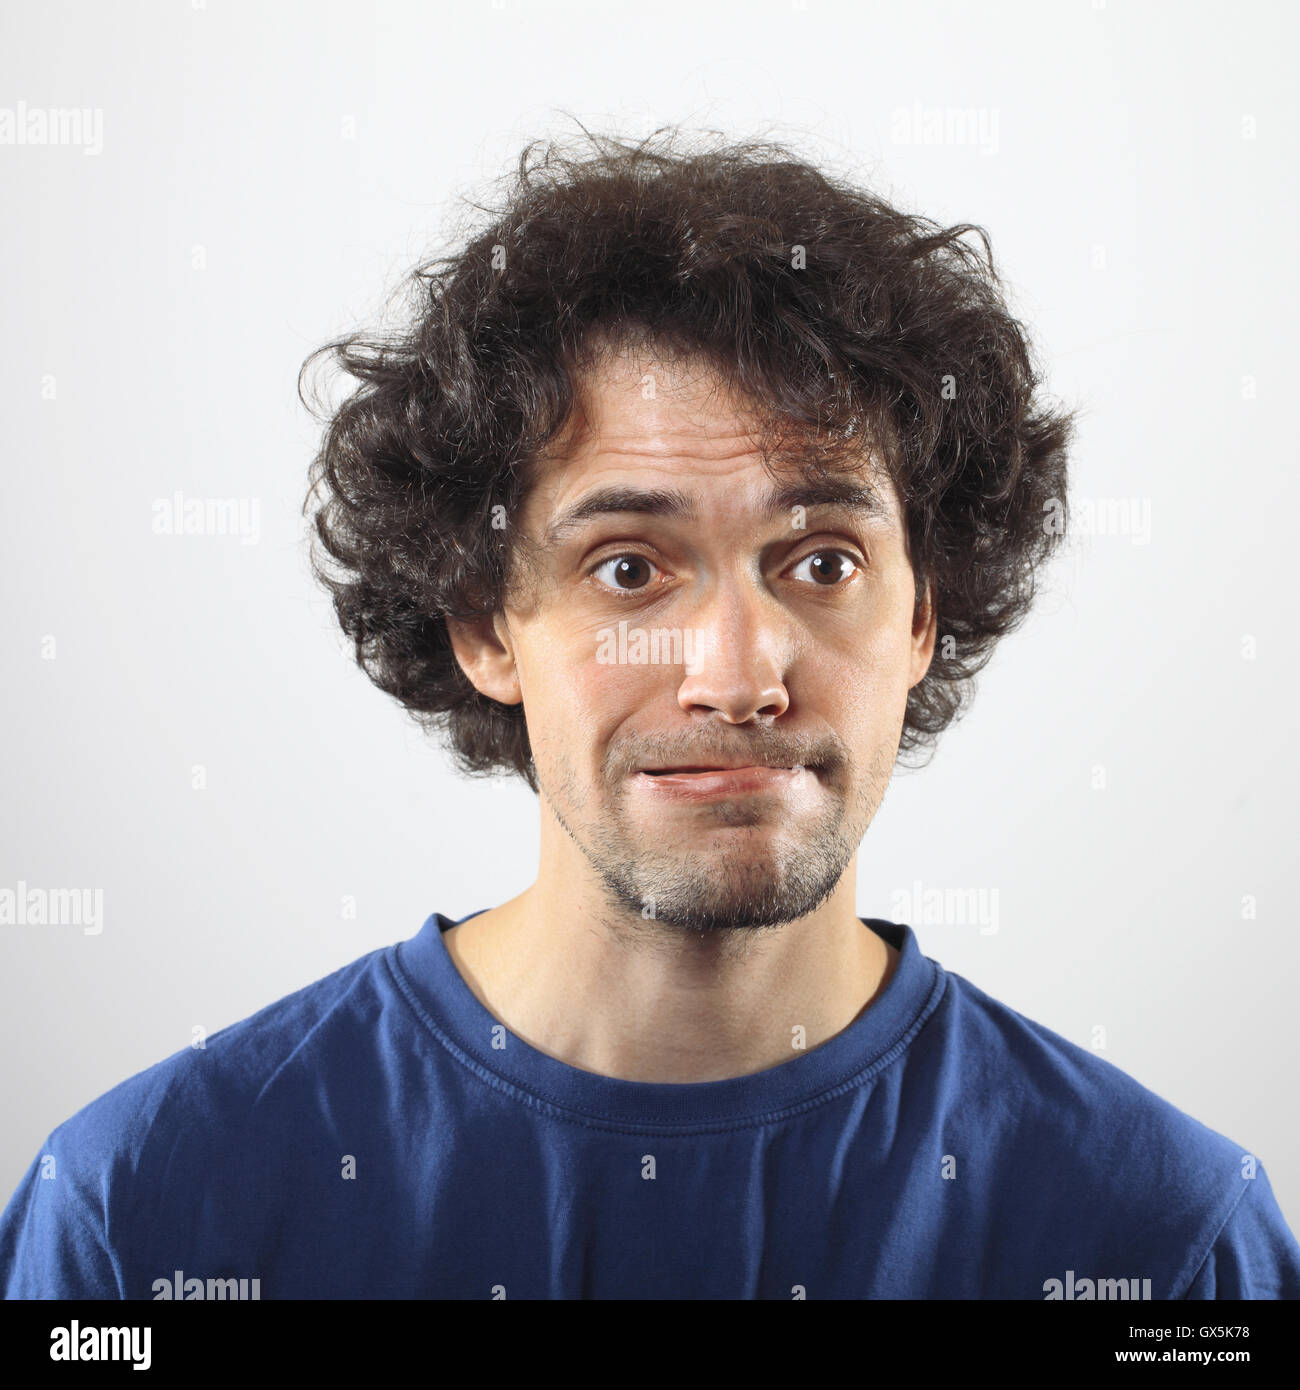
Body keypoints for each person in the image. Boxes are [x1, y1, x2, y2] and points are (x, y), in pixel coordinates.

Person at [3, 131, 1297, 1300]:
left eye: (822, 562)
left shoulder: (1162, 1244)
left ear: (921, 617)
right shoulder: (145, 1216)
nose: (736, 677)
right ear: (485, 627)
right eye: (629, 568)